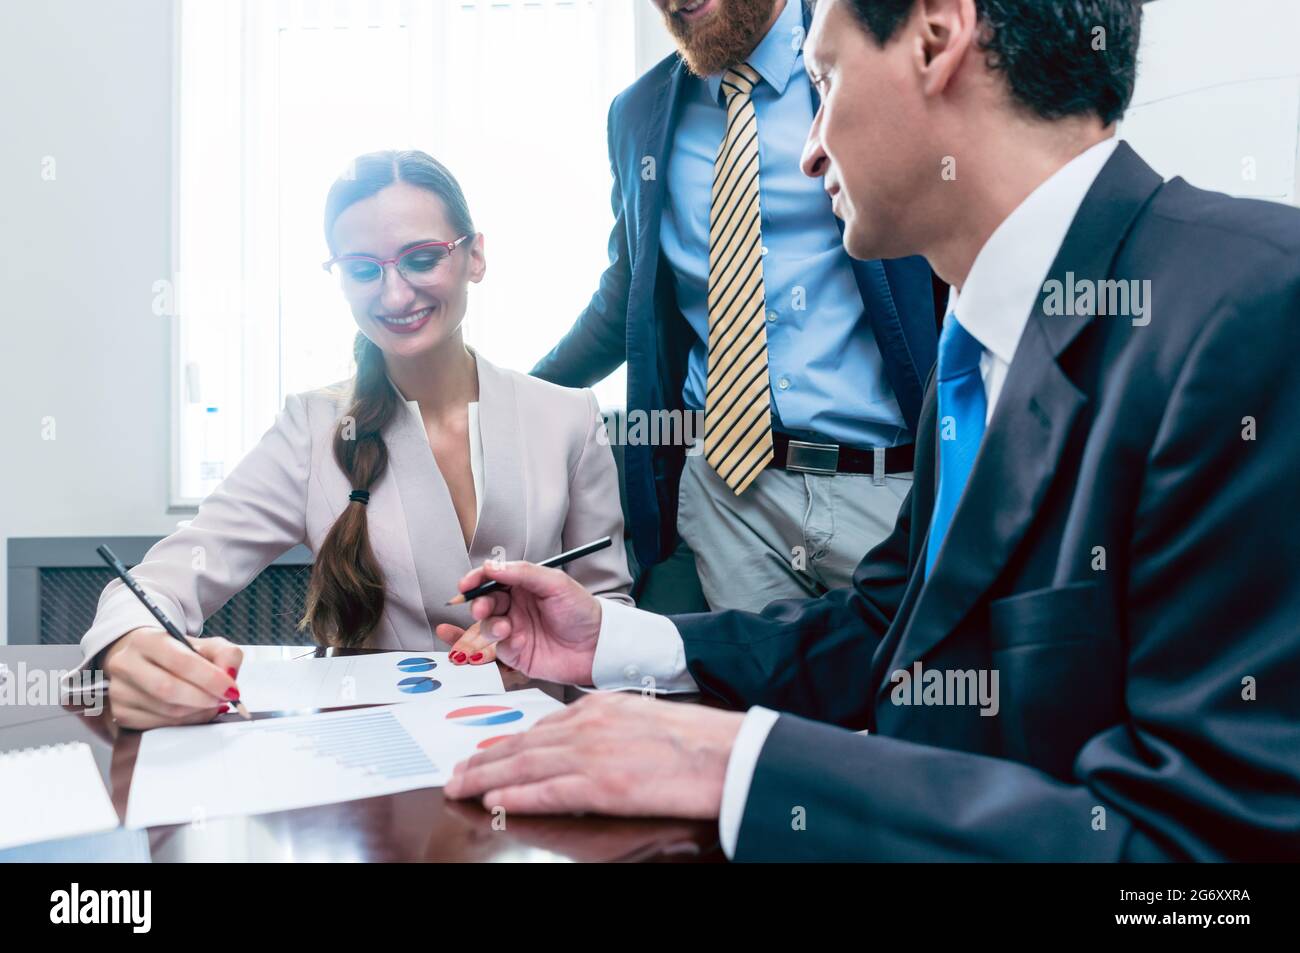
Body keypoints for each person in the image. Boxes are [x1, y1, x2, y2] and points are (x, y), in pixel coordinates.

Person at [441, 0, 1300, 861]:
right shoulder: (974, 351)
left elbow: (1205, 873)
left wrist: (744, 764)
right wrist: (617, 638)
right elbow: (883, 629)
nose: (810, 146)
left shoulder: (1256, 310)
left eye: (823, 80)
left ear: (936, 38)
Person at [76, 150, 633, 729]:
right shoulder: (311, 428)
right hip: (378, 770)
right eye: (364, 270)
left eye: (421, 259)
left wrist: (555, 646)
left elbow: (614, 616)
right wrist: (129, 645)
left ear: (475, 257)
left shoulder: (568, 416)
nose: (394, 296)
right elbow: (162, 579)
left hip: (545, 754)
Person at [533, 0, 941, 612]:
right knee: (752, 699)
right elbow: (627, 297)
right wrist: (505, 394)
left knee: (911, 695)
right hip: (730, 493)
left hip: (891, 484)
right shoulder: (638, 114)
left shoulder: (867, 55)